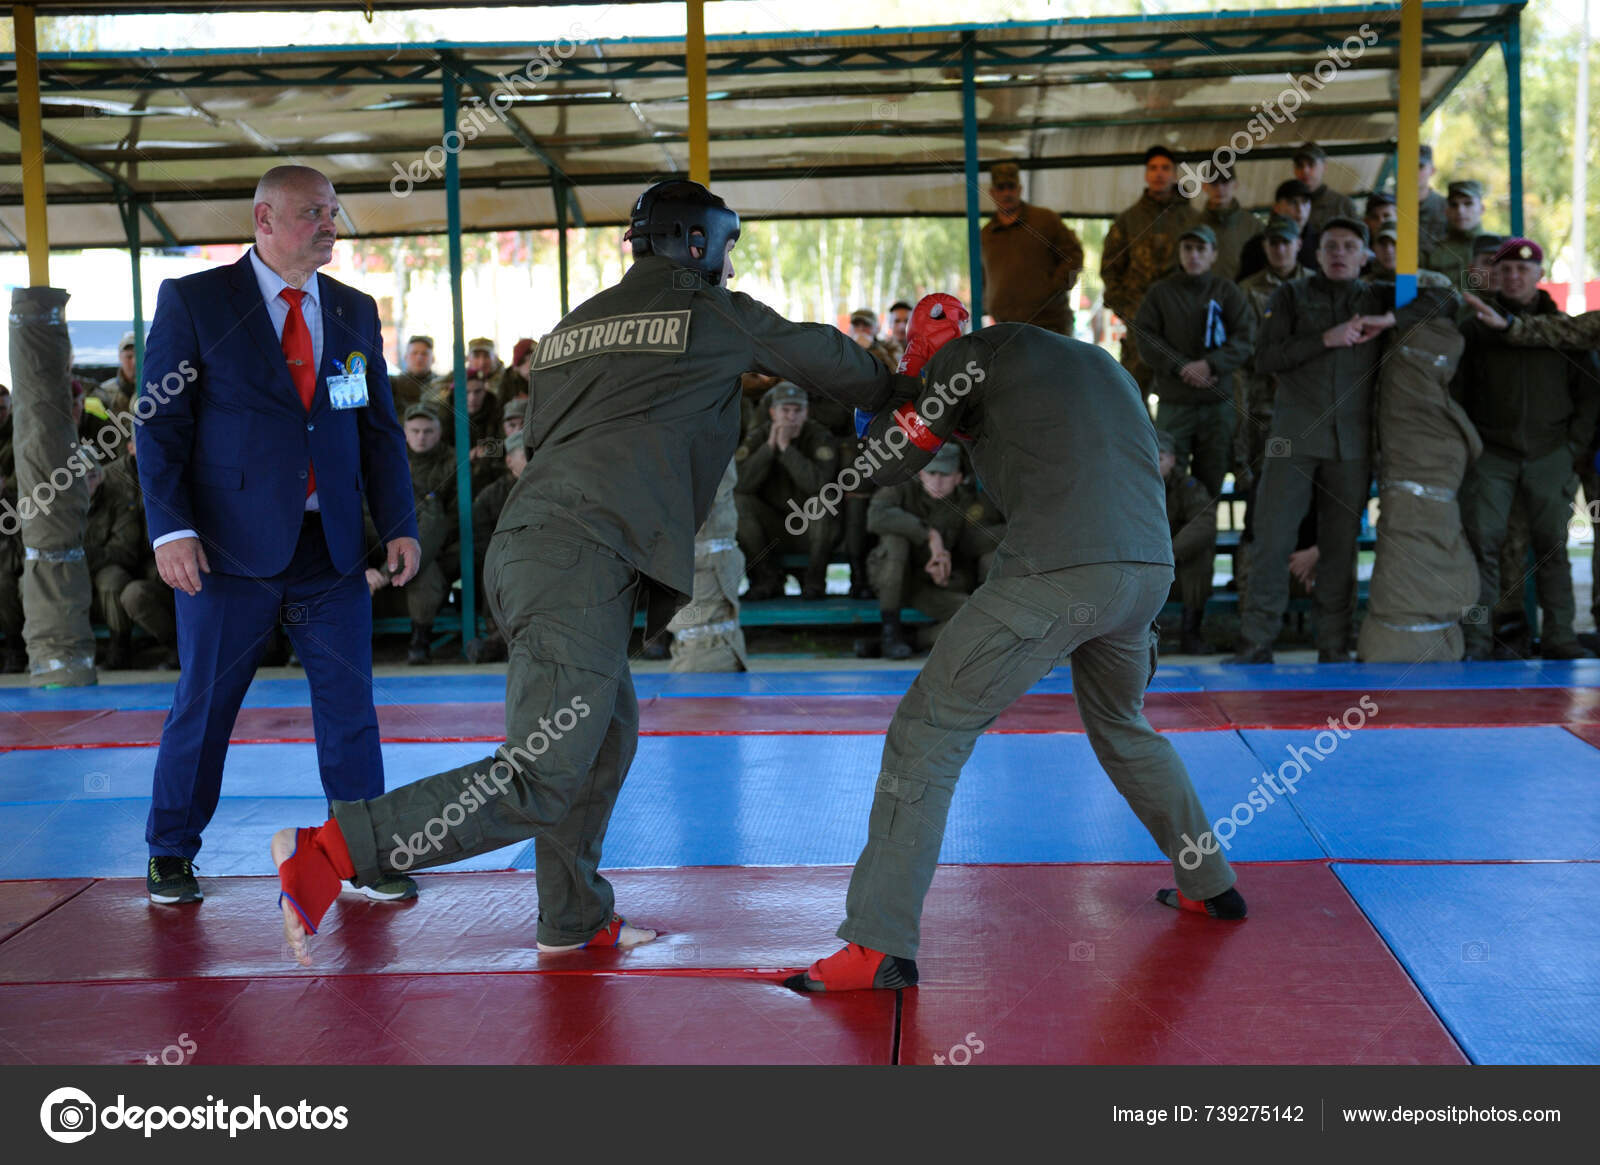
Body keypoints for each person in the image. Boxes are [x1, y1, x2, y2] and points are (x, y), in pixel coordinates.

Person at [270, 179, 894, 964]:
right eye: (726, 246)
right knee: (541, 772)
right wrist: (899, 383)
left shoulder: (574, 327)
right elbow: (826, 357)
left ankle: (572, 914)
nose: (729, 264)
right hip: (577, 561)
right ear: (695, 244)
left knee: (602, 738)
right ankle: (330, 851)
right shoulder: (708, 311)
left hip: (533, 549)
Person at [789, 294, 1244, 994]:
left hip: (1059, 569)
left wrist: (887, 393)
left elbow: (884, 461)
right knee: (1123, 722)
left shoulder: (967, 358)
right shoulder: (1094, 361)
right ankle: (1207, 879)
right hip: (1147, 571)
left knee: (927, 729)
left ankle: (877, 945)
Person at [136, 164, 422, 906]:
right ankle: (170, 850)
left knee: (350, 706)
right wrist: (171, 529)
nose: (329, 224)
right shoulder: (196, 301)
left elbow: (379, 429)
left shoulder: (355, 310)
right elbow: (160, 427)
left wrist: (398, 524)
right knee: (203, 705)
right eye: (311, 214)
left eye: (331, 212)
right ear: (264, 220)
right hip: (224, 552)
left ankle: (361, 851)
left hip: (330, 549)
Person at [1230, 217, 1391, 664]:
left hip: (1352, 444)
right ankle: (1256, 640)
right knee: (1272, 540)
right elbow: (1264, 357)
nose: (1339, 253)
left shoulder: (1378, 294)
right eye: (1331, 246)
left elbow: (1442, 299)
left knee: (1341, 547)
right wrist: (1326, 338)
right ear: (1316, 255)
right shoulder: (1289, 296)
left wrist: (1390, 316)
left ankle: (1334, 645)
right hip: (1294, 438)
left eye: (1350, 246)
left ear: (1365, 256)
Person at [1453, 238, 1600, 661]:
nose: (1515, 277)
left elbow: (1589, 395)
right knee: (1487, 544)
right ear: (1496, 276)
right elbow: (1456, 395)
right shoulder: (1474, 330)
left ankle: (1559, 636)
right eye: (1506, 270)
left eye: (1524, 270)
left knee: (1552, 545)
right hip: (1492, 456)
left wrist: (1572, 447)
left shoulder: (1563, 329)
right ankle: (1489, 639)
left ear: (1539, 276)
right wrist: (1474, 448)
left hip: (1551, 454)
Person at [1132, 222, 1256, 499]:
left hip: (1217, 405)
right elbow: (1146, 338)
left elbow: (1246, 338)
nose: (1194, 255)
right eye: (1187, 248)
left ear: (1213, 254)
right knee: (1164, 477)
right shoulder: (1160, 293)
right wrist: (1181, 366)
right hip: (1175, 404)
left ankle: (1204, 540)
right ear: (1179, 253)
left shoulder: (1227, 292)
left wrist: (1210, 365)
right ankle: (1170, 541)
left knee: (1211, 476)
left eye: (1201, 249)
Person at [1233, 215, 1315, 593]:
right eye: (1273, 243)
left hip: (1314, 409)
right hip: (1265, 412)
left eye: (1286, 242)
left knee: (1311, 500)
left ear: (1299, 243)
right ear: (1265, 247)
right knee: (1261, 502)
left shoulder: (1319, 285)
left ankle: (1302, 588)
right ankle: (1254, 591)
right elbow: (1246, 350)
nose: (1280, 249)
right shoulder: (1247, 291)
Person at [863, 442, 1003, 659]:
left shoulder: (966, 502)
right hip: (892, 576)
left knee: (975, 615)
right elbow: (876, 516)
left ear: (958, 477)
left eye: (945, 475)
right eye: (931, 473)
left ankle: (910, 641)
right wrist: (929, 535)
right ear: (921, 473)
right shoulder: (901, 487)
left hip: (927, 584)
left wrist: (946, 573)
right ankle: (890, 632)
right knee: (895, 542)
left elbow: (971, 545)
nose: (937, 481)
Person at [1101, 145, 1196, 391]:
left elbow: (1205, 269)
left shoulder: (1192, 219)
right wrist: (1125, 308)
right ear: (1146, 174)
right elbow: (1110, 268)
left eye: (1165, 168)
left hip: (1181, 321)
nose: (1159, 174)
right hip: (1139, 322)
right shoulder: (1128, 220)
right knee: (1132, 391)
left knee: (1177, 393)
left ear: (1175, 174)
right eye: (1153, 168)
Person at [734, 381, 840, 600]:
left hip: (808, 528)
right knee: (738, 501)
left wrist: (786, 450)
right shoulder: (759, 436)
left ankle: (815, 582)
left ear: (806, 412)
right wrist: (769, 449)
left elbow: (819, 484)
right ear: (773, 412)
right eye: (785, 410)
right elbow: (742, 484)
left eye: (797, 410)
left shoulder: (819, 435)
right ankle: (766, 578)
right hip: (771, 528)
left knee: (825, 500)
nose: (791, 417)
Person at [979, 160, 1084, 336]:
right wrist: (988, 302)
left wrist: (1054, 286)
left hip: (1050, 325)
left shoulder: (1045, 220)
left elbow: (1074, 254)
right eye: (1001, 187)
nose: (1006, 193)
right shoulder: (987, 233)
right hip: (1006, 329)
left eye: (1011, 187)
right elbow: (982, 274)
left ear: (1020, 189)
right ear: (992, 192)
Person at [1159, 429, 1218, 655]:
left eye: (1160, 457)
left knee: (1199, 553)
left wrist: (1171, 552)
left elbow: (1205, 522)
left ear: (1172, 460)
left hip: (1177, 574)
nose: (1154, 463)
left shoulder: (1188, 487)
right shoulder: (1134, 487)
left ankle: (1190, 632)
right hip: (1143, 567)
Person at [1236, 179, 1319, 282]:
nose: (1300, 209)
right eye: (1292, 202)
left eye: (1305, 202)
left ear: (1299, 244)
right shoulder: (1256, 246)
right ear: (1276, 207)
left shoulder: (1320, 244)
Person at [1194, 162, 1259, 282]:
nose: (1219, 188)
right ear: (1204, 186)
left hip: (1242, 295)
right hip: (1201, 295)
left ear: (1235, 185)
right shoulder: (1192, 225)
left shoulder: (1254, 226)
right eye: (1213, 183)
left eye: (1225, 182)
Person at [1423, 180, 1488, 290]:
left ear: (1481, 209)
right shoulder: (1432, 251)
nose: (1460, 211)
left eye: (1468, 203)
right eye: (1454, 205)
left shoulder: (1498, 247)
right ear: (1447, 211)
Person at [1292, 142, 1360, 231]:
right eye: (1300, 165)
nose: (1305, 170)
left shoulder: (1343, 205)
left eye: (1311, 164)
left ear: (1324, 167)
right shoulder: (1287, 205)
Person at [390, 334, 442, 412]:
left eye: (424, 354)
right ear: (405, 357)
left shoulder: (442, 385)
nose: (419, 358)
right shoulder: (391, 384)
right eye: (414, 353)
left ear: (433, 359)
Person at [1417, 143, 1449, 254]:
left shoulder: (1446, 206)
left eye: (1420, 167)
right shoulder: (1391, 206)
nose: (1413, 171)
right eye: (1408, 165)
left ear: (1432, 170)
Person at [94, 331, 138, 412]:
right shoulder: (104, 392)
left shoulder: (155, 391)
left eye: (138, 356)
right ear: (120, 357)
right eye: (129, 356)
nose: (134, 362)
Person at [883, 300, 912, 368]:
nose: (902, 327)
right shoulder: (881, 351)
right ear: (890, 324)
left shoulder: (923, 352)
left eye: (906, 321)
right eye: (897, 321)